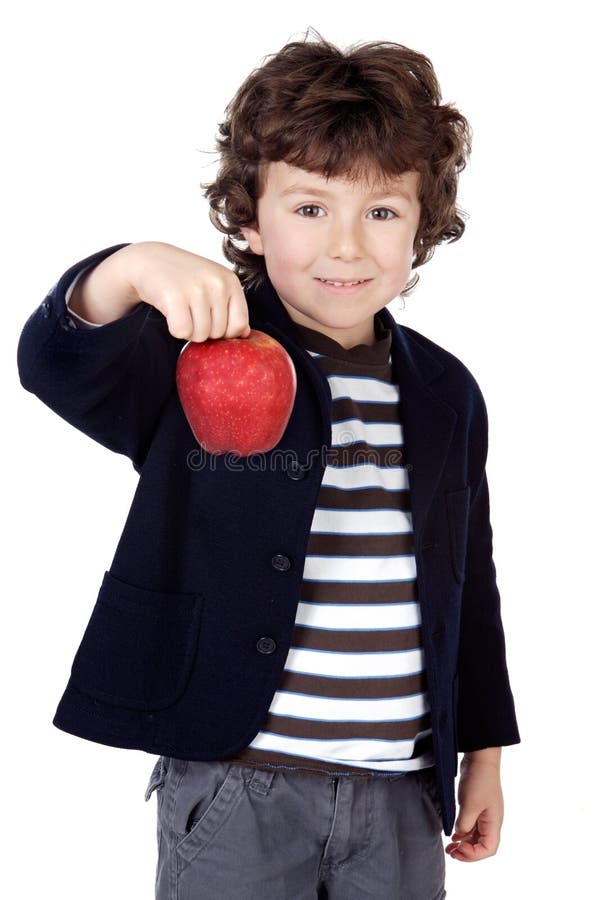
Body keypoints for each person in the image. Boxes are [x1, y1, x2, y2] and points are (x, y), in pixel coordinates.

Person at [16, 27, 520, 900]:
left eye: (383, 211)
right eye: (311, 207)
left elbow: (467, 581)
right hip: (237, 778)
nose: (347, 247)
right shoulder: (197, 350)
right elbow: (53, 361)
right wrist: (128, 269)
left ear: (423, 229)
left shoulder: (446, 394)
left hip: (400, 792)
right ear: (250, 218)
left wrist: (484, 751)